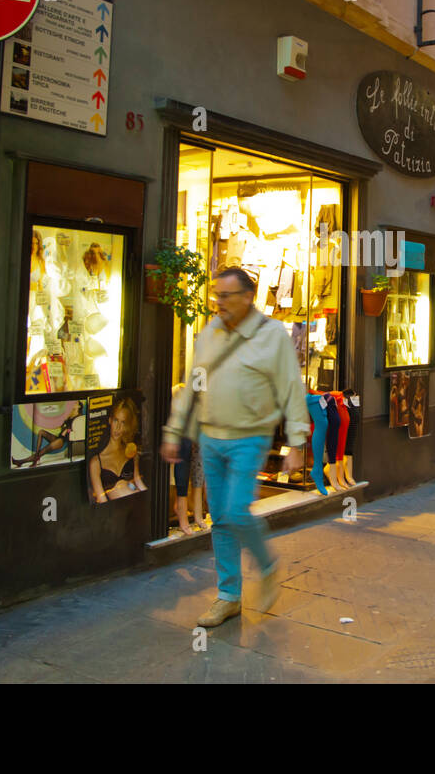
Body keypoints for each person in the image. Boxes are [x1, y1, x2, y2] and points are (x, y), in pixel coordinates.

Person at [160, 267, 309, 629]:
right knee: (221, 520)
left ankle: (267, 566)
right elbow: (194, 381)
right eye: (216, 295)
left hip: (250, 436)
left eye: (226, 296)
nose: (218, 303)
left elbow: (291, 386)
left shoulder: (272, 334)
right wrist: (174, 429)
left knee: (235, 510)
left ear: (248, 297)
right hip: (211, 437)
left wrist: (297, 441)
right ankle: (229, 596)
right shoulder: (209, 333)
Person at [88, 394, 146, 501]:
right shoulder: (96, 462)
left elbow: (138, 481)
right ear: (110, 420)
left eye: (123, 423)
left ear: (127, 426)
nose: (118, 427)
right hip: (117, 512)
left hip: (136, 506)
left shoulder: (132, 453)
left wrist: (150, 502)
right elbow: (101, 499)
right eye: (116, 420)